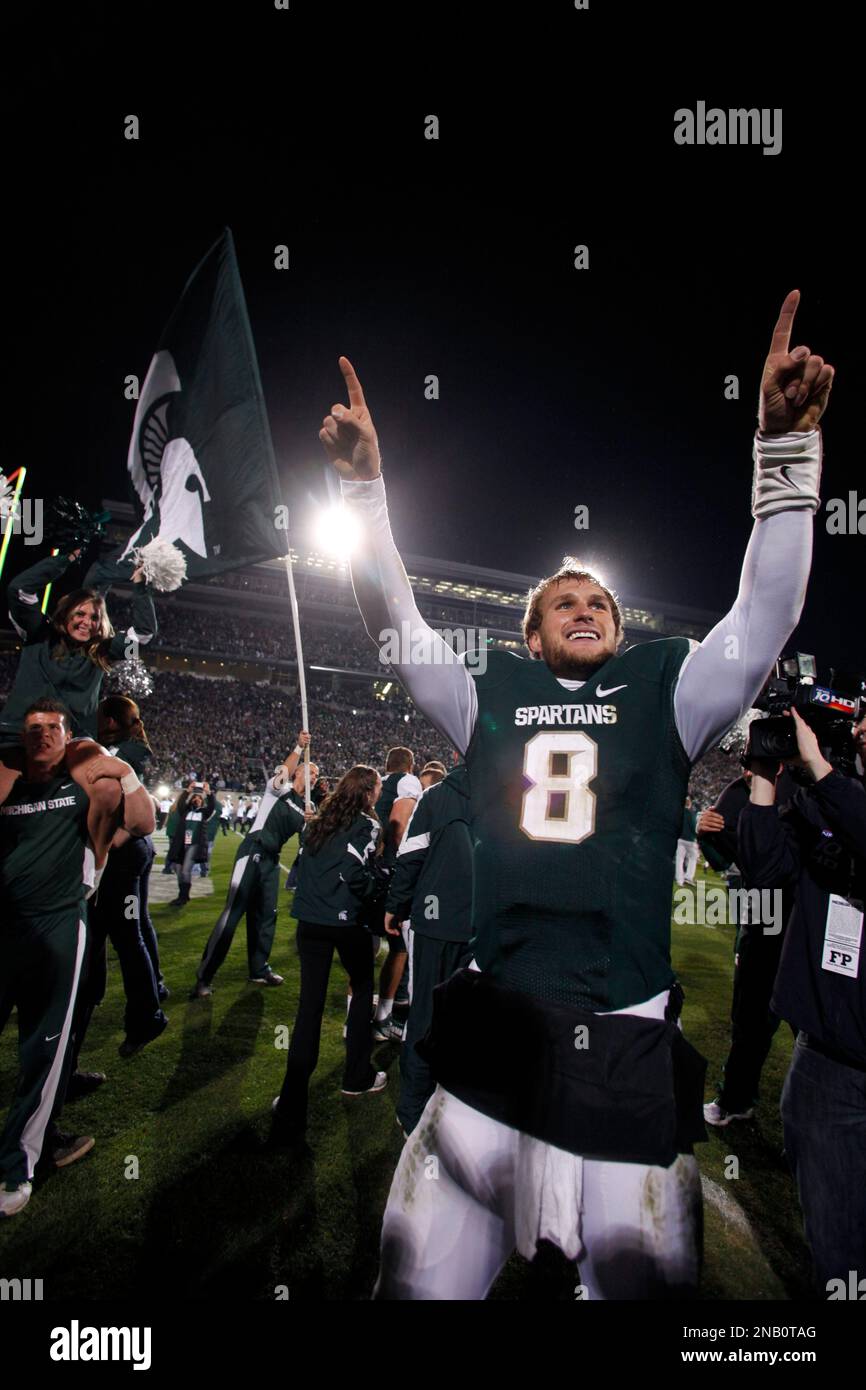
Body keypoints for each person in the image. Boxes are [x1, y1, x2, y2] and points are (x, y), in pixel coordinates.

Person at [320, 288, 833, 1299]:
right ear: (529, 634)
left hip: (626, 1035)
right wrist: (366, 494)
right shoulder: (487, 691)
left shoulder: (666, 687)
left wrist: (782, 457)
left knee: (643, 1289)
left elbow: (765, 610)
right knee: (414, 1278)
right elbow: (394, 618)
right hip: (497, 1023)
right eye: (563, 602)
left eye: (597, 599)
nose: (585, 607)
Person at [0, 697, 155, 1218]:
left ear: (68, 737)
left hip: (59, 924)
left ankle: (14, 1166)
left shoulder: (89, 786)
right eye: (33, 728)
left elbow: (143, 823)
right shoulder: (9, 784)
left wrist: (128, 773)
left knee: (41, 1054)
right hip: (5, 924)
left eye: (52, 728)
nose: (42, 734)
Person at [737, 707, 866, 1293]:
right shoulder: (825, 801)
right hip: (828, 1062)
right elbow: (764, 869)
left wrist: (817, 767)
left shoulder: (840, 797)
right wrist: (765, 776)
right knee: (836, 1242)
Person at [270, 765, 387, 1144]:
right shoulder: (367, 825)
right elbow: (356, 874)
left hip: (310, 921)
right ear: (367, 792)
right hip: (344, 920)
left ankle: (291, 1105)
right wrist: (379, 886)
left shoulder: (316, 823)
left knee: (309, 1008)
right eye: (378, 789)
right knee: (363, 985)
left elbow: (303, 869)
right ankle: (356, 1076)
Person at [0, 549, 156, 807]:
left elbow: (143, 635)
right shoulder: (38, 633)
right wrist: (65, 560)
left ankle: (95, 849)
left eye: (94, 617)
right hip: (18, 734)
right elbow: (19, 590)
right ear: (66, 615)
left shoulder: (104, 651)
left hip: (73, 743)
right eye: (80, 614)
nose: (87, 622)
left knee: (105, 789)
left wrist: (140, 587)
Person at [68, 695, 168, 1077]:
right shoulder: (121, 746)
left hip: (124, 857)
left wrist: (106, 847)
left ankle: (146, 1014)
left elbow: (136, 816)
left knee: (127, 936)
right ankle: (145, 1009)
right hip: (126, 855)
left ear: (109, 719)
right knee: (129, 931)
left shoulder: (128, 751)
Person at [699, 766, 797, 1126]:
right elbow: (721, 859)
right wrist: (706, 831)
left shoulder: (809, 781)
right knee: (750, 1016)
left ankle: (820, 1114)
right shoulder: (738, 790)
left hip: (806, 912)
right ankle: (736, 1098)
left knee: (815, 1021)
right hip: (764, 909)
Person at [384, 763, 474, 1136]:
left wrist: (395, 904)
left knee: (424, 1014)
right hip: (481, 927)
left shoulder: (437, 796)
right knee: (470, 1020)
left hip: (434, 924)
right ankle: (457, 1109)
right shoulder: (512, 794)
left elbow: (410, 857)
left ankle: (413, 1113)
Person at [192, 735, 312, 997]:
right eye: (309, 771)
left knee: (267, 915)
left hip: (272, 859)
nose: (314, 776)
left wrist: (311, 822)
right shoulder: (279, 788)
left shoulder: (307, 808)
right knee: (233, 912)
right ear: (298, 774)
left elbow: (309, 842)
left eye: (317, 774)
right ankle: (205, 976)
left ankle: (259, 968)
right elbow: (284, 770)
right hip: (253, 850)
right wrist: (299, 747)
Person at [372, 748, 423, 1043]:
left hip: (368, 868)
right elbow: (399, 824)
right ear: (410, 765)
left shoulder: (378, 781)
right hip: (389, 870)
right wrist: (403, 862)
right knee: (399, 947)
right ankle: (383, 1018)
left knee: (366, 945)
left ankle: (355, 1018)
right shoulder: (407, 781)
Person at [168, 782, 216, 906]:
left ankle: (182, 897)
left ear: (202, 801)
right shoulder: (185, 811)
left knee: (185, 870)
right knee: (178, 869)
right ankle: (183, 894)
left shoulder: (204, 813)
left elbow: (212, 805)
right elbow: (180, 803)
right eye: (195, 798)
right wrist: (188, 791)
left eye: (200, 798)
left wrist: (208, 792)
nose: (197, 800)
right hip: (181, 844)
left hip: (194, 845)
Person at [674, 796, 699, 885]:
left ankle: (679, 880)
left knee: (679, 860)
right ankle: (688, 877)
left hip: (680, 839)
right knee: (693, 858)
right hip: (689, 840)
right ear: (689, 803)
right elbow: (693, 827)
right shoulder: (690, 813)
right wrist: (697, 836)